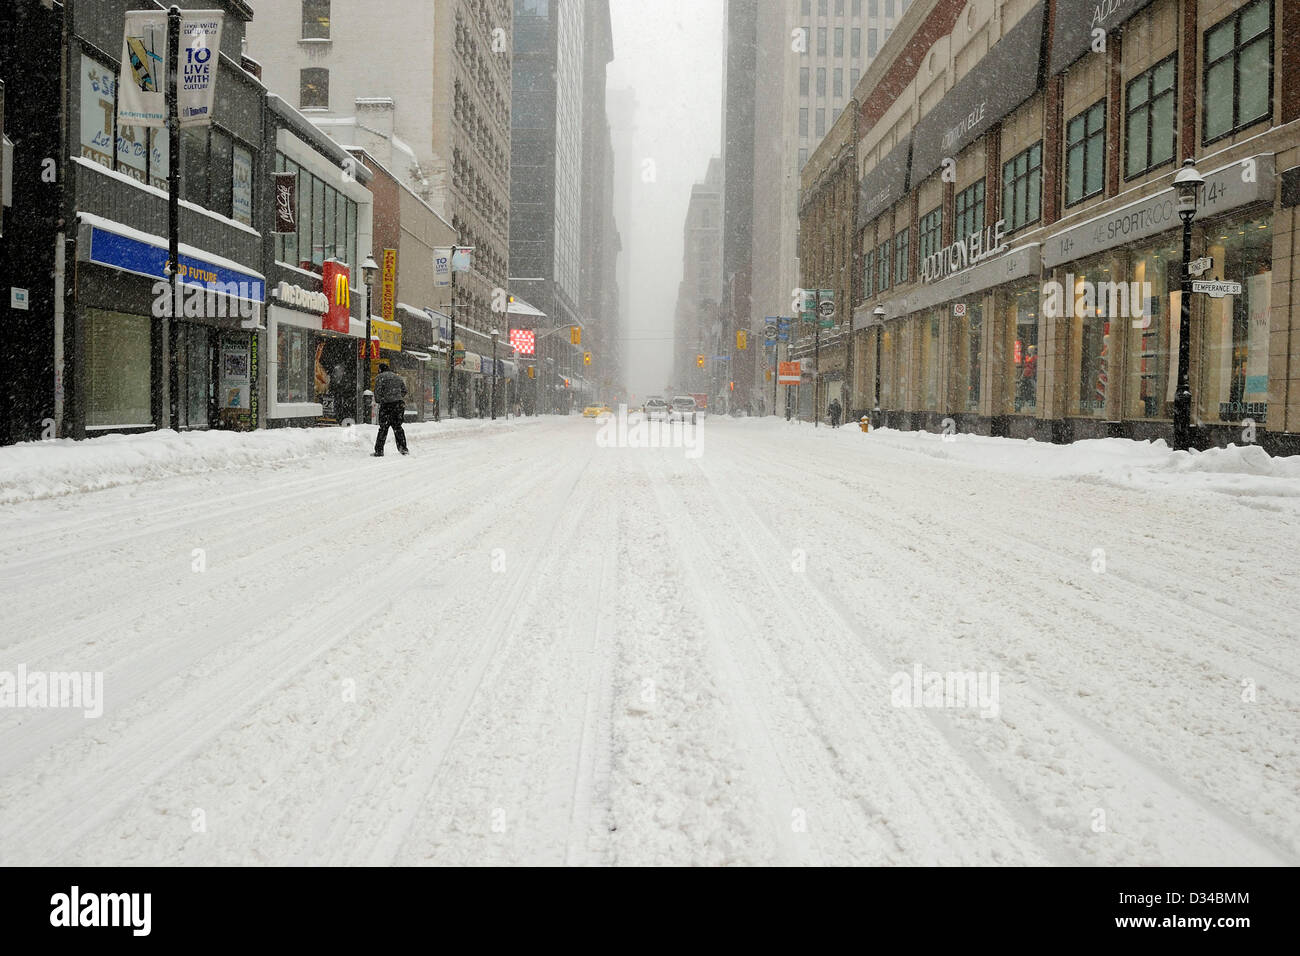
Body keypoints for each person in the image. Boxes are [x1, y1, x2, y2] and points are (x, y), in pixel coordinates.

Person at [372, 362, 409, 457]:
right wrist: (397, 397)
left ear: (380, 370)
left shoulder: (380, 377)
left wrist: (380, 400)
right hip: (398, 405)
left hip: (387, 405)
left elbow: (377, 392)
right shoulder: (397, 377)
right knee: (398, 427)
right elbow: (404, 390)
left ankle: (379, 451)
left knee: (383, 428)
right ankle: (403, 449)